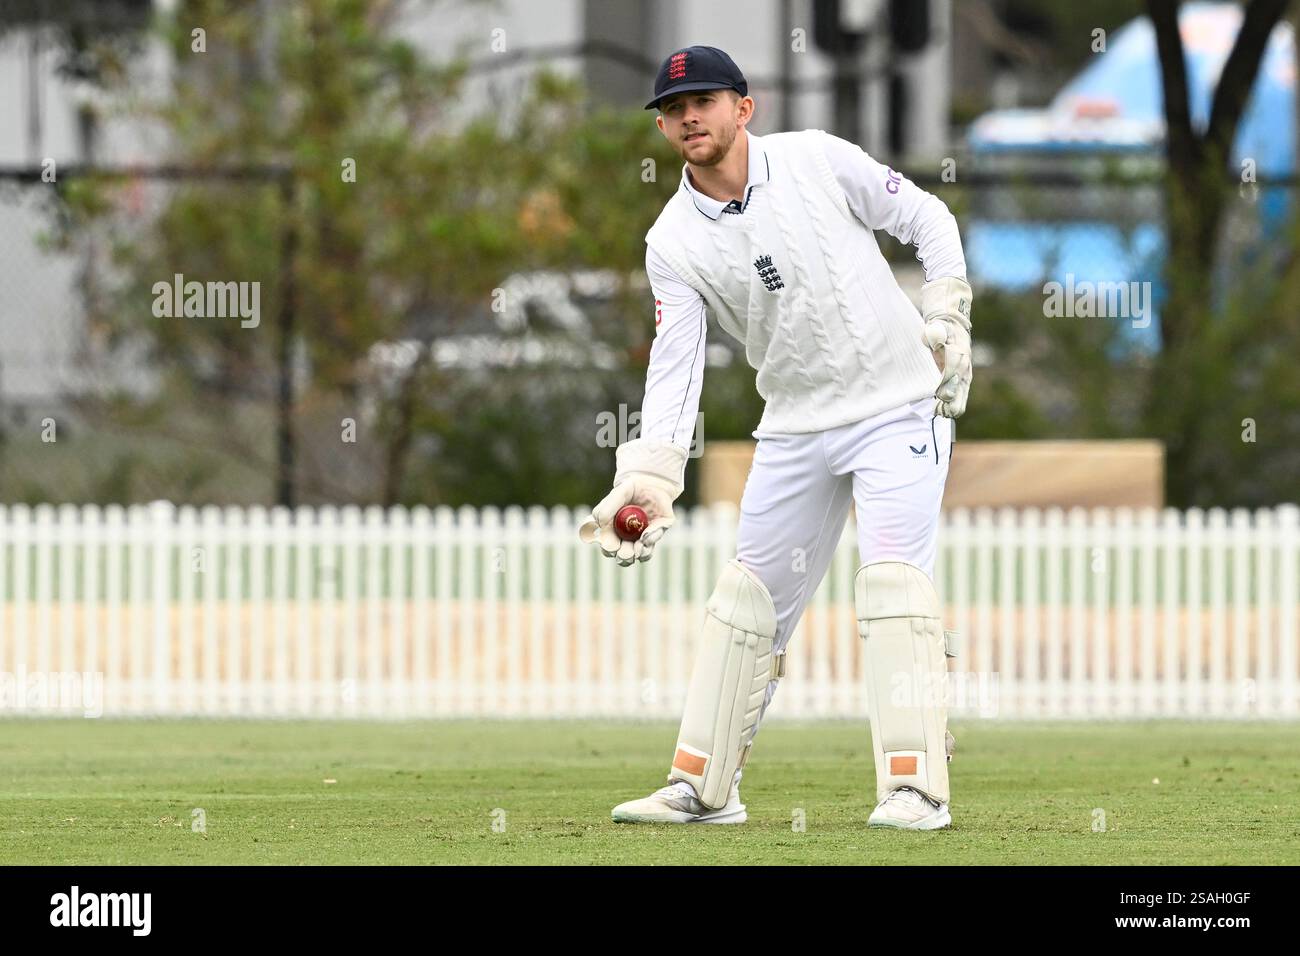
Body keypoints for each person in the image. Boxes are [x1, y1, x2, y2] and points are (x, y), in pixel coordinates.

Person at [579, 45, 971, 830]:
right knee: (746, 606)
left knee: (895, 589)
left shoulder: (818, 159)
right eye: (674, 108)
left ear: (742, 108)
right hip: (793, 425)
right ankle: (702, 789)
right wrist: (652, 475)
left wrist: (948, 310)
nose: (689, 116)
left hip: (899, 405)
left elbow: (926, 215)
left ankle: (915, 787)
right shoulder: (671, 243)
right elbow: (676, 364)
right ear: (663, 125)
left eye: (705, 101)